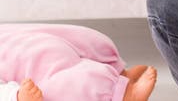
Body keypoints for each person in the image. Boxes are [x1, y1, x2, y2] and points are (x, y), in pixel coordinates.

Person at [0, 23, 157, 101]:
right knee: (65, 84)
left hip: (20, 44)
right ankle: (126, 95)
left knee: (85, 40)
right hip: (30, 73)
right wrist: (16, 96)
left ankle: (121, 76)